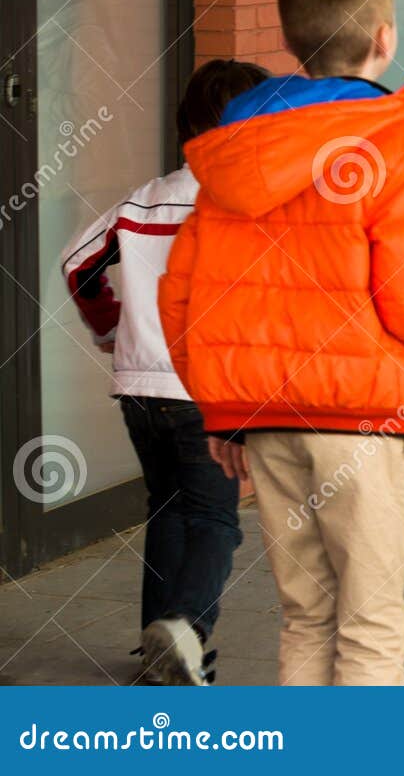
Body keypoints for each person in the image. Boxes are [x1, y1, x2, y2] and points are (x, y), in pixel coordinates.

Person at [158, 0, 404, 685]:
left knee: (308, 616)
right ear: (384, 39)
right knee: (371, 621)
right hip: (363, 416)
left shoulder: (232, 147)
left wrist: (224, 410)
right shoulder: (393, 143)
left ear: (290, 39)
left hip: (269, 418)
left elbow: (185, 294)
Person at [61, 58, 268, 685]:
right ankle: (186, 628)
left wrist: (109, 325)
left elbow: (78, 264)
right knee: (215, 519)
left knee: (168, 508)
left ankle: (163, 658)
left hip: (138, 388)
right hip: (205, 392)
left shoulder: (143, 200)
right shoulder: (249, 209)